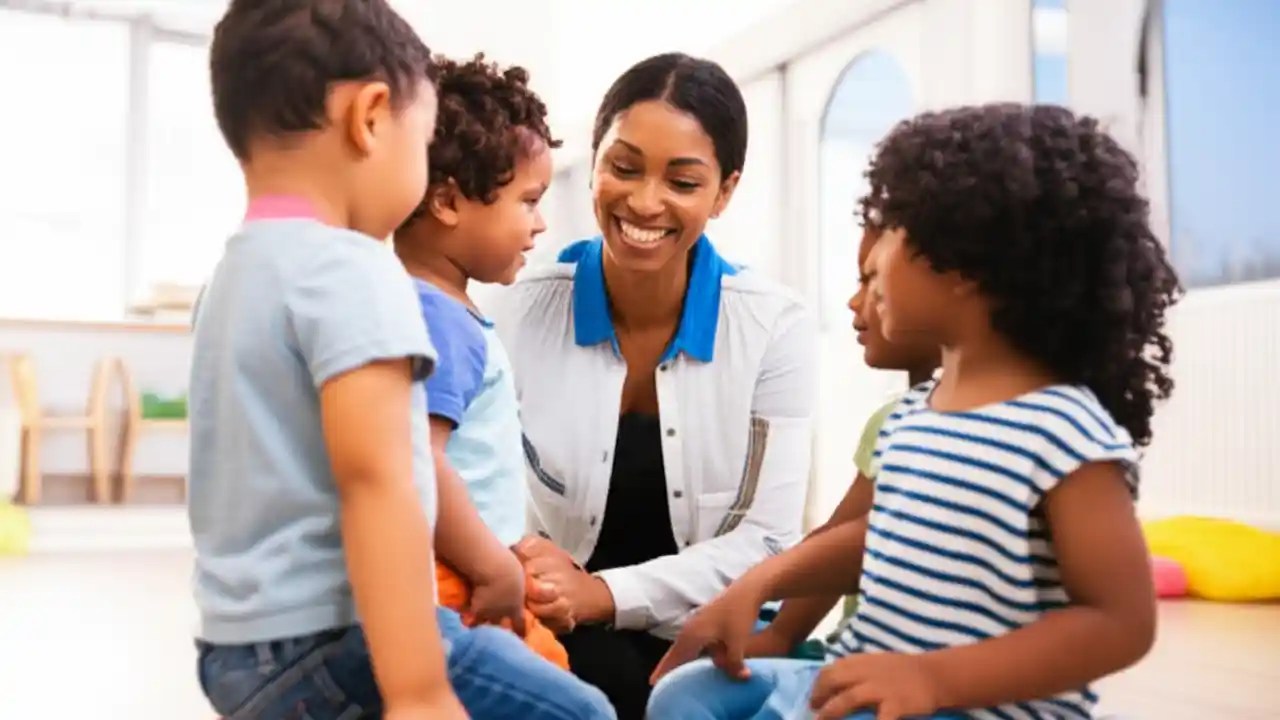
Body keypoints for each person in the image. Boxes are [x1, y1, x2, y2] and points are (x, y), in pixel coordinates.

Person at [648, 103, 1182, 720]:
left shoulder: (1062, 430)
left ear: (962, 264)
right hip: (865, 678)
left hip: (967, 705)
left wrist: (934, 678)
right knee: (684, 696)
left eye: (890, 239)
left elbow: (1121, 621)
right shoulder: (912, 418)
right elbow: (883, 537)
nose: (871, 270)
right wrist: (756, 587)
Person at [493, 52, 818, 719]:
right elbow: (479, 482)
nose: (644, 201)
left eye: (683, 180)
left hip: (718, 629)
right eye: (624, 166)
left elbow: (768, 539)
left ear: (724, 191)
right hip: (566, 630)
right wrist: (540, 577)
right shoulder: (518, 311)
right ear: (594, 162)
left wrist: (604, 594)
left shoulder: (773, 327)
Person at [189, 2, 462, 718]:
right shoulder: (351, 268)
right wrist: (420, 693)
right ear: (370, 116)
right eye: (425, 139)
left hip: (236, 649)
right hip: (333, 640)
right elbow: (375, 480)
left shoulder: (231, 275)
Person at [393, 52, 579, 677]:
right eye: (528, 201)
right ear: (448, 202)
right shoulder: (439, 318)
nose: (540, 223)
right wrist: (493, 566)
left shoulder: (426, 305)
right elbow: (420, 458)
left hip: (459, 565)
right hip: (451, 581)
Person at [746, 228, 940, 663]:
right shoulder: (898, 417)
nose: (856, 302)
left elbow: (840, 553)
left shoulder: (908, 423)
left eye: (873, 281)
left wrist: (780, 635)